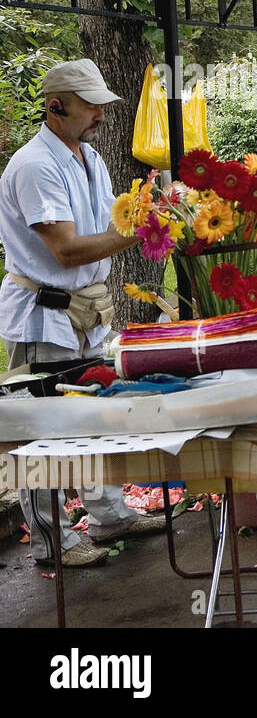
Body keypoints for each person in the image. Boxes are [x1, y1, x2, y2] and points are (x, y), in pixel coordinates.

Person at [0, 59, 167, 567]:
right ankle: (53, 540)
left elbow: (109, 219)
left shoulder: (89, 156)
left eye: (100, 103)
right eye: (89, 103)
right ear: (56, 106)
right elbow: (67, 250)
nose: (99, 113)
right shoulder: (34, 165)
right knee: (40, 427)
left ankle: (110, 514)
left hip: (88, 309)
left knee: (95, 411)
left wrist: (154, 208)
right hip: (43, 314)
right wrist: (142, 230)